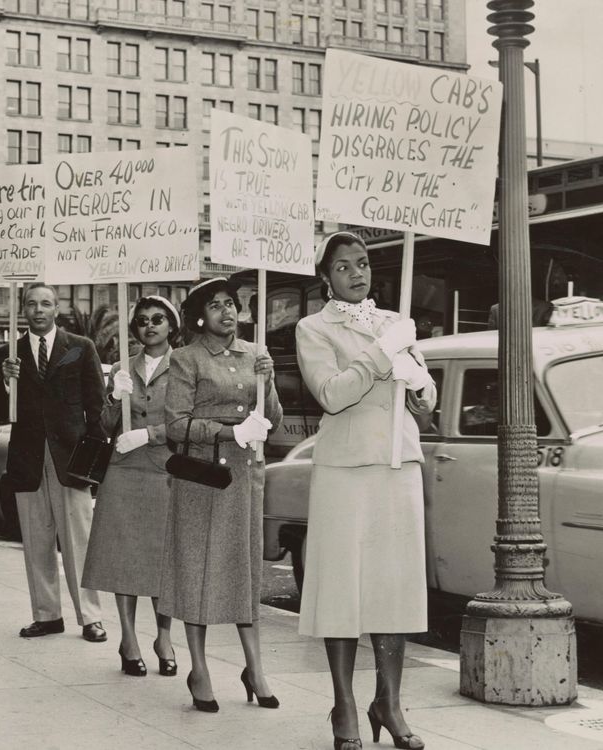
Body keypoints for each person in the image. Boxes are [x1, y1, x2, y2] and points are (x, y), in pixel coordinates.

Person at [295, 232, 436, 750]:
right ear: (326, 277)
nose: (357, 273)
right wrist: (380, 354)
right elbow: (332, 395)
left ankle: (389, 703)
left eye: (363, 263)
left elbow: (426, 397)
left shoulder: (396, 322)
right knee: (342, 590)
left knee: (392, 588)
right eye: (344, 266)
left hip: (398, 465)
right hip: (345, 470)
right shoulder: (313, 328)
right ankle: (344, 706)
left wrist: (418, 386)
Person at [158, 277, 283, 714]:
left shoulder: (256, 354)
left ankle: (255, 669)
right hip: (203, 481)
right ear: (199, 317)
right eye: (215, 305)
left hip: (245, 478)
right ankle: (199, 669)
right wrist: (230, 431)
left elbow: (273, 419)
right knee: (198, 574)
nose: (227, 311)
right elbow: (176, 424)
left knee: (245, 574)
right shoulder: (186, 358)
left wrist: (269, 381)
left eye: (231, 303)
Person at [0, 284, 107, 642]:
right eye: (31, 304)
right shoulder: (8, 354)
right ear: (23, 310)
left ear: (57, 308)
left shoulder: (81, 348)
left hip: (70, 460)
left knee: (78, 542)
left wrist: (95, 462)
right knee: (36, 541)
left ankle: (90, 617)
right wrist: (6, 382)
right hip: (27, 460)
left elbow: (97, 408)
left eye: (45, 304)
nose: (38, 310)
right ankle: (46, 615)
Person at [82, 296, 179, 677]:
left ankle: (164, 637)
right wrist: (112, 397)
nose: (149, 325)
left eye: (158, 319)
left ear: (171, 325)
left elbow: (186, 422)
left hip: (164, 470)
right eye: (141, 320)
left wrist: (149, 435)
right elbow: (103, 425)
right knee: (124, 560)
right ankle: (128, 638)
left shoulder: (184, 365)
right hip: (123, 471)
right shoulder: (123, 368)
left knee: (161, 561)